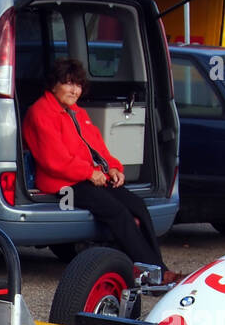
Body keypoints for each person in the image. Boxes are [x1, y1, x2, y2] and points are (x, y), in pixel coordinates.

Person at [22, 58, 180, 283]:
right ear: (53, 85)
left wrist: (114, 168)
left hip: (87, 177)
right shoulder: (41, 113)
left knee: (138, 206)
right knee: (118, 212)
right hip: (62, 182)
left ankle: (158, 267)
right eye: (68, 84)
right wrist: (89, 173)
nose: (74, 90)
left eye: (77, 85)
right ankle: (154, 273)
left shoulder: (75, 111)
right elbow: (54, 160)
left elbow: (97, 146)